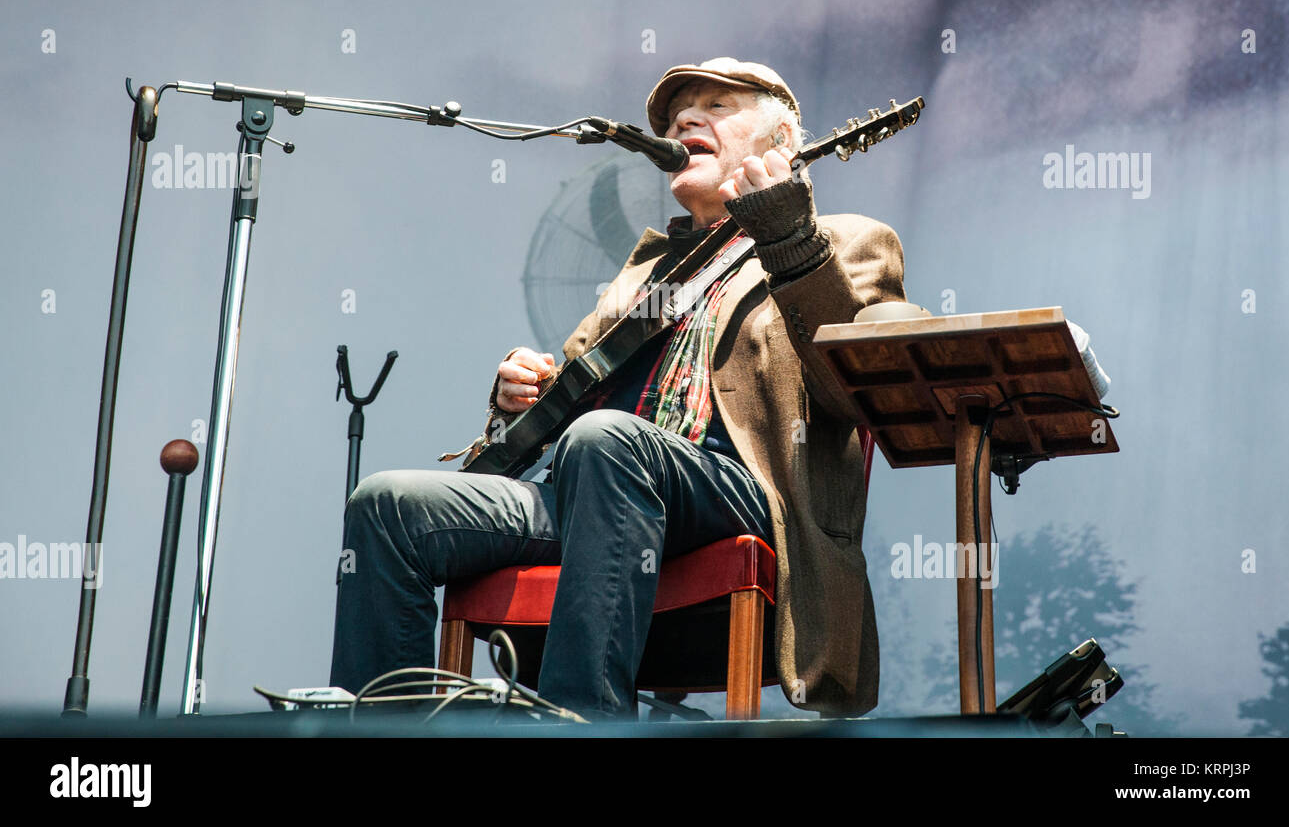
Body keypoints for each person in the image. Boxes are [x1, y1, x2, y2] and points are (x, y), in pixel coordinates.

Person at [329, 58, 907, 719]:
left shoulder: (849, 240)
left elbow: (854, 392)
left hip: (742, 494)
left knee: (606, 442)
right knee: (387, 505)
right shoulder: (644, 272)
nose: (686, 120)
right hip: (600, 488)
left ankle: (581, 722)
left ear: (782, 144)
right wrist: (511, 401)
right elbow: (560, 409)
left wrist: (790, 240)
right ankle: (382, 728)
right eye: (679, 114)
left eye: (716, 106)